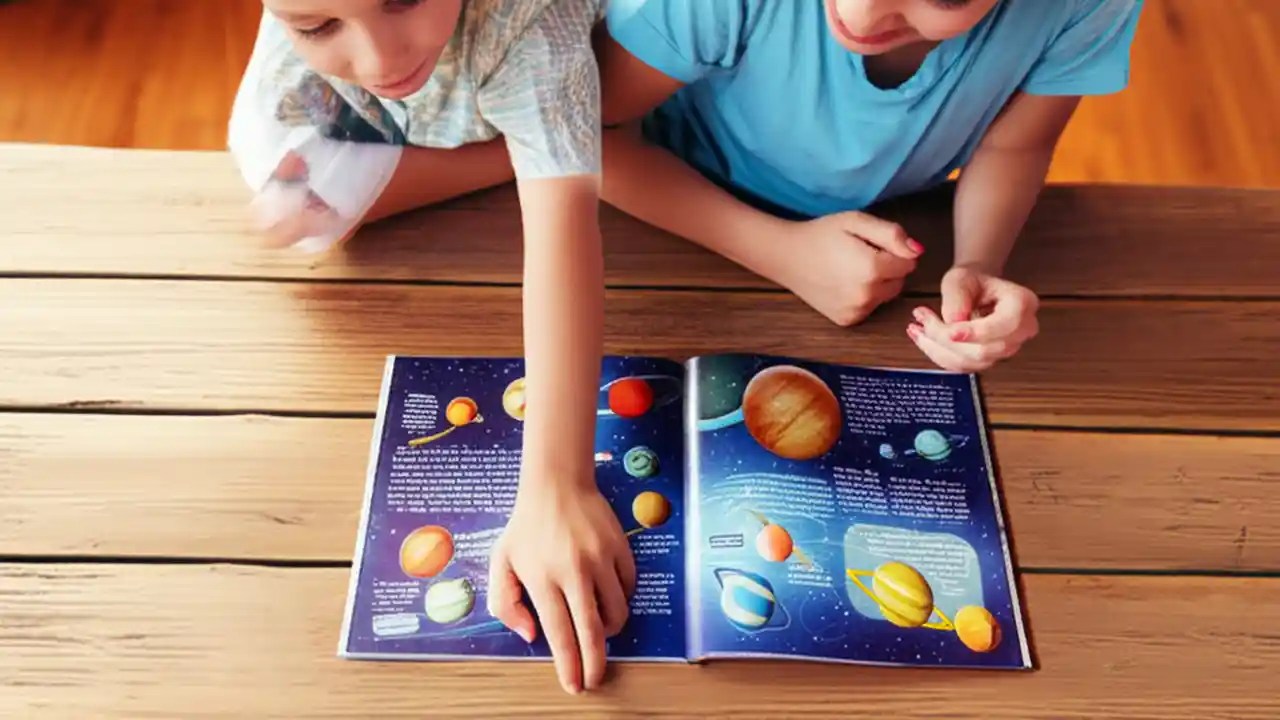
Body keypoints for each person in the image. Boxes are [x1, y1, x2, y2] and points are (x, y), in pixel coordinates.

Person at [227, 0, 632, 695]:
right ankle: (526, 140)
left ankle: (539, 136)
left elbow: (564, 223)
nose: (382, 58)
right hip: (431, 109)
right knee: (299, 203)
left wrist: (557, 484)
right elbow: (302, 173)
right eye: (317, 26)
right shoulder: (339, 57)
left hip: (541, 49)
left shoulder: (529, 26)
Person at [596, 0, 1143, 372]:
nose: (860, 13)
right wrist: (778, 251)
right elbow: (582, 137)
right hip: (651, 213)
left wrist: (979, 263)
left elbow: (1013, 145)